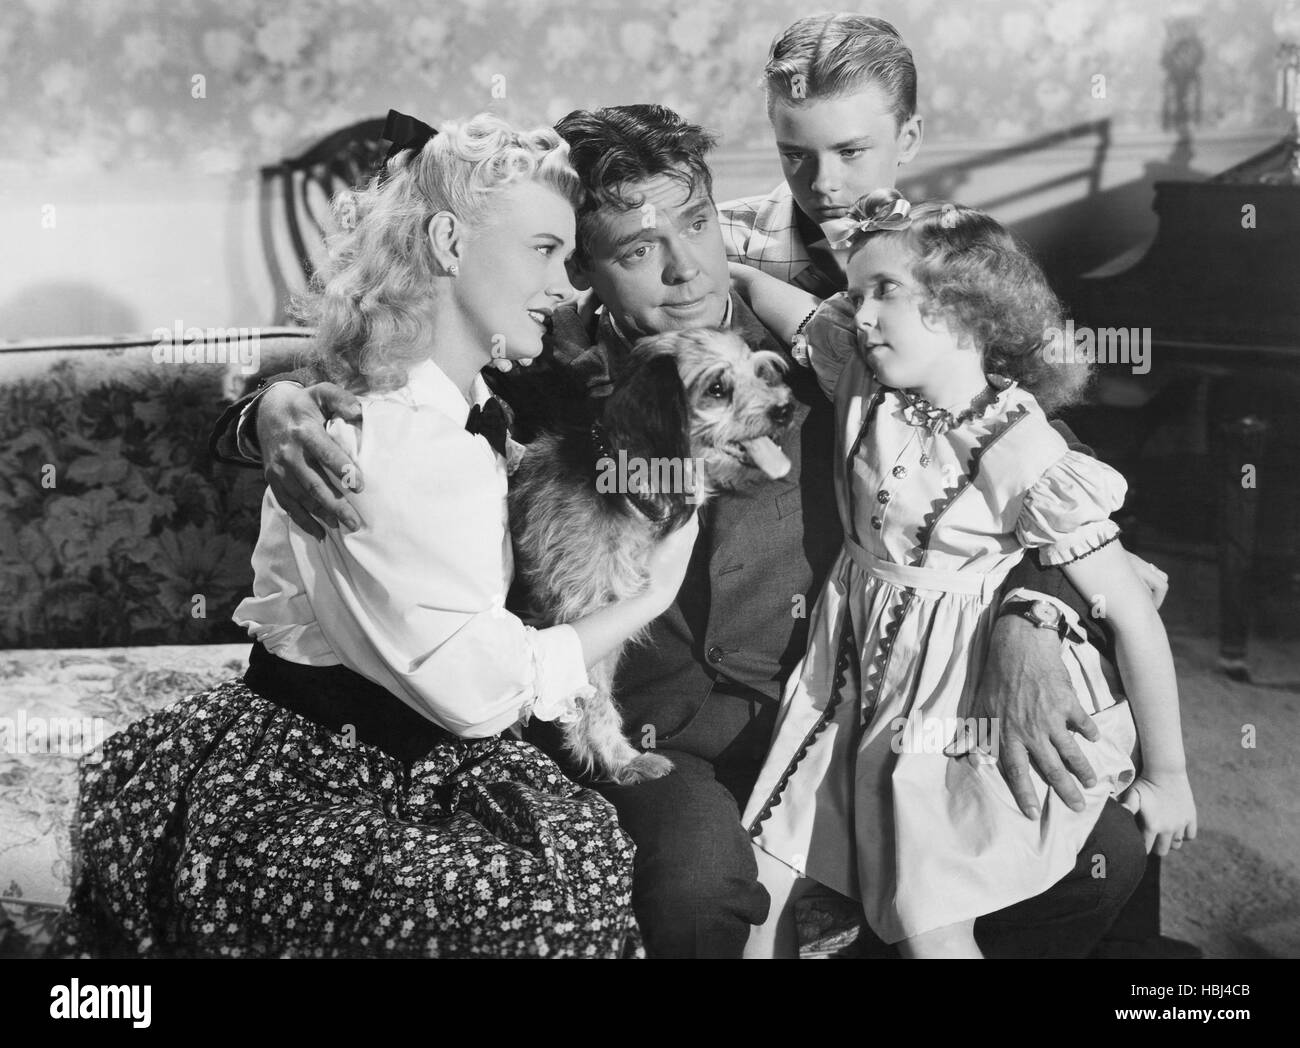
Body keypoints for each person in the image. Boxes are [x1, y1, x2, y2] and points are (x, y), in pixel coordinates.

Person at [211, 104, 1157, 958]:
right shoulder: (537, 364)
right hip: (658, 729)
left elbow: (1043, 462)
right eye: (633, 250)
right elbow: (392, 382)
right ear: (578, 268)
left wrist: (1032, 617)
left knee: (1110, 846)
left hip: (840, 708)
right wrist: (272, 409)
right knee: (697, 893)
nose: (684, 269)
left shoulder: (842, 343)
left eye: (697, 225)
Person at [54, 112, 700, 959]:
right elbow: (474, 695)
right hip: (335, 764)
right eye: (545, 251)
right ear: (448, 241)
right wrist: (654, 592)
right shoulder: (383, 436)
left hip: (424, 739)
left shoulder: (475, 396)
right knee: (534, 904)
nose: (567, 286)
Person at [721, 11, 1188, 957]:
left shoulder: (949, 262)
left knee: (1102, 841)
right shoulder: (729, 258)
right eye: (795, 154)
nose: (826, 185)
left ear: (910, 140)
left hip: (944, 642)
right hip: (805, 640)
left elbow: (1042, 442)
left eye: (852, 150)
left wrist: (1036, 613)